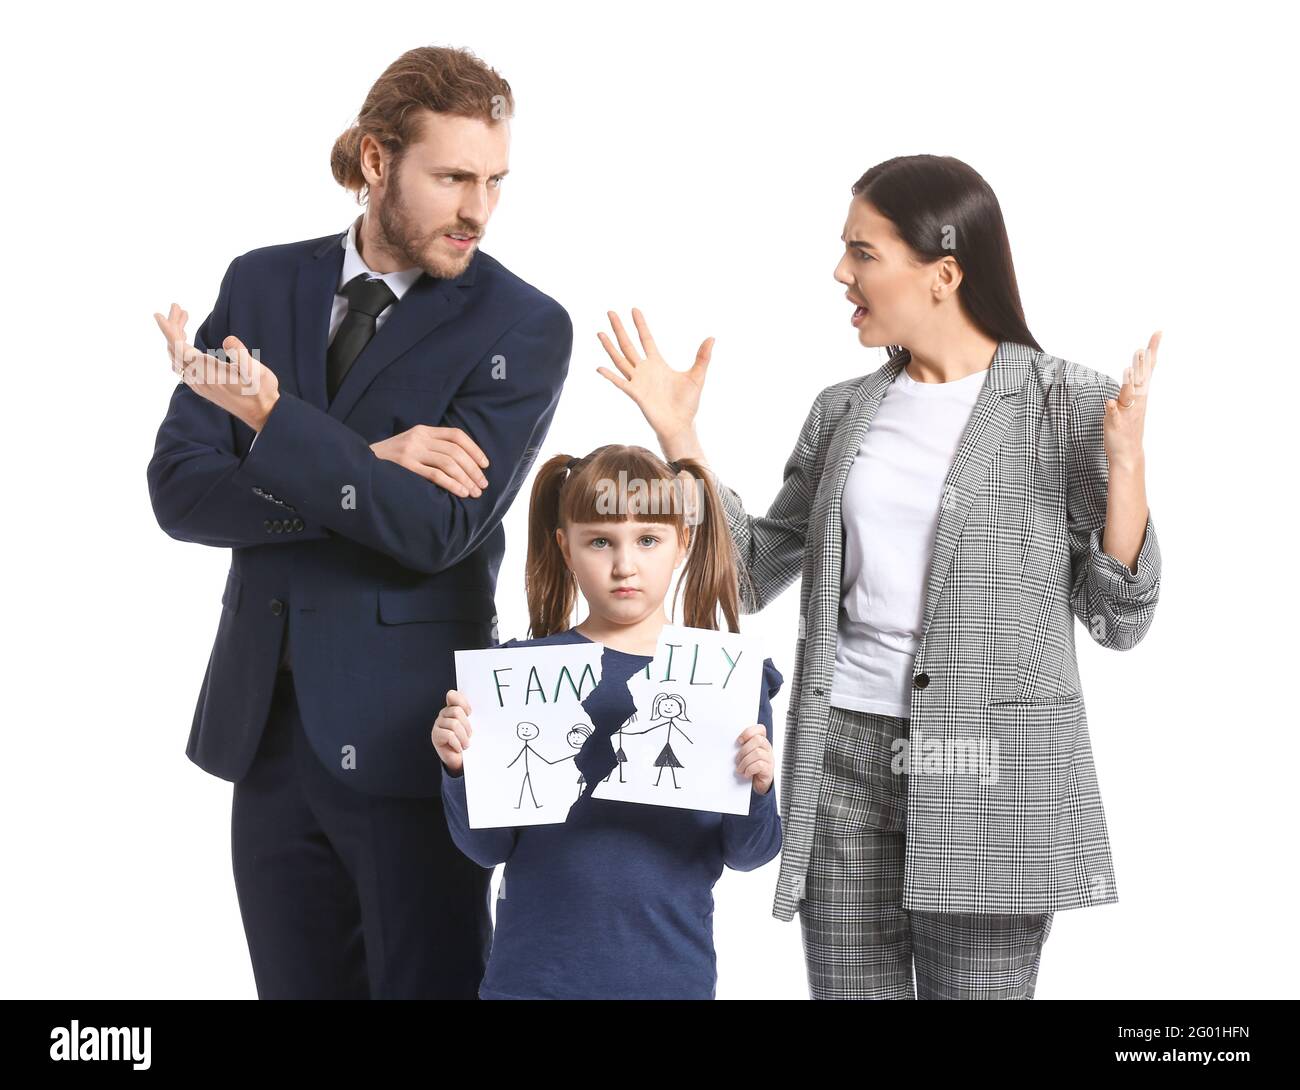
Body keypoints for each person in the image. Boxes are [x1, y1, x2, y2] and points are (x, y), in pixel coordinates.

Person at [596, 154, 1163, 999]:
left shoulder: (1066, 403)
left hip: (981, 762)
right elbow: (750, 571)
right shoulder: (843, 410)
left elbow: (1120, 619)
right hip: (843, 755)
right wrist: (682, 436)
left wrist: (1125, 466)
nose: (840, 272)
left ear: (943, 273)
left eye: (863, 252)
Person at [145, 46, 573, 999]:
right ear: (377, 162)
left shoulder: (522, 327)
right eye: (454, 177)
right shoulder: (260, 284)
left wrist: (271, 426)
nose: (479, 210)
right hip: (266, 733)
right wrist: (366, 461)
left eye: (495, 180)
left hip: (416, 743)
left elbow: (434, 532)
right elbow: (179, 490)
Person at [431, 446, 783, 999]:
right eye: (600, 541)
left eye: (648, 540)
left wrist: (759, 786)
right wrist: (458, 769)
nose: (625, 565)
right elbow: (489, 849)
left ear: (682, 543)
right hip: (534, 979)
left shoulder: (729, 679)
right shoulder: (518, 674)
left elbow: (749, 854)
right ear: (565, 549)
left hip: (669, 978)